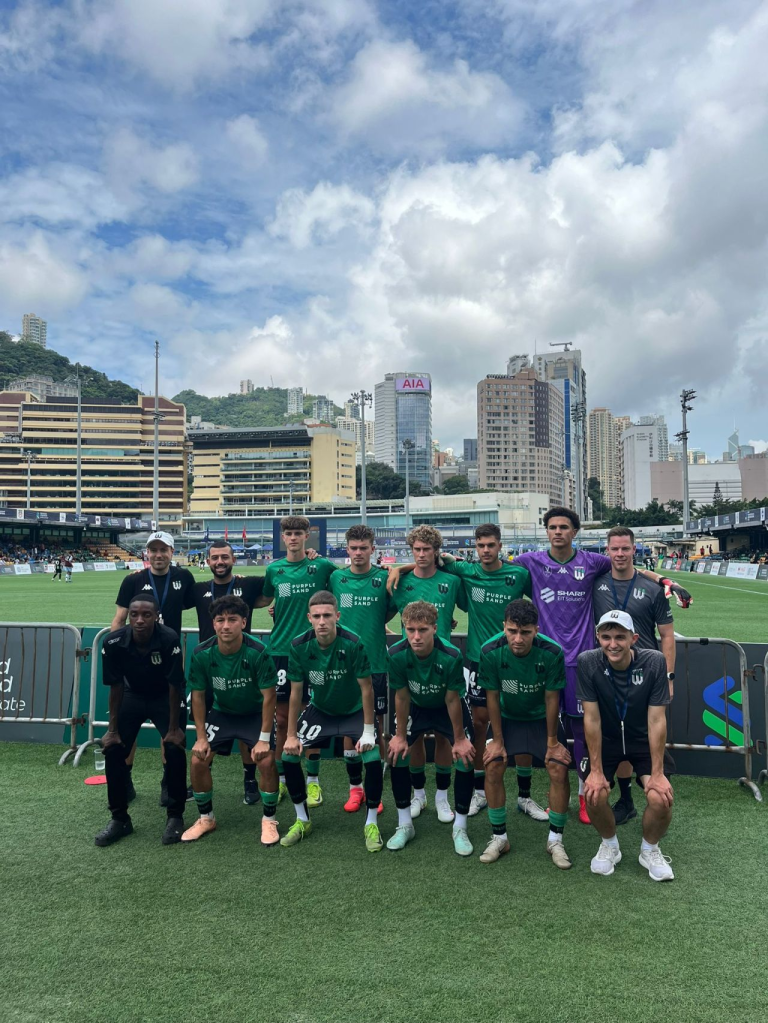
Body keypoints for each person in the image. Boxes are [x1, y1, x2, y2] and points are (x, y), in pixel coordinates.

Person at [512, 507, 689, 825]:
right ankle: (532, 795)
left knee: (584, 734)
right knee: (540, 730)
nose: (558, 532)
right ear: (546, 531)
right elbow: (493, 567)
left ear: (574, 532)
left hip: (582, 664)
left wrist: (664, 579)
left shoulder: (592, 562)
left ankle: (585, 796)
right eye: (552, 527)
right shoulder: (530, 561)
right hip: (543, 662)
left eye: (564, 527)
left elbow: (631, 567)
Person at [431, 524, 538, 820]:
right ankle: (479, 790)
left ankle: (525, 795)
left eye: (491, 545)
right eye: (481, 545)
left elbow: (541, 597)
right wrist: (396, 570)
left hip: (516, 660)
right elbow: (430, 561)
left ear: (500, 545)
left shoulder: (518, 575)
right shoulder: (467, 571)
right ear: (475, 547)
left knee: (524, 720)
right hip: (479, 659)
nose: (486, 550)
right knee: (478, 724)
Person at [281, 591, 383, 851]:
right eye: (317, 616)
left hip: (354, 709)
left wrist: (369, 731)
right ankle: (302, 820)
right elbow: (295, 693)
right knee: (289, 757)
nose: (322, 621)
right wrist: (291, 734)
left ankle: (371, 823)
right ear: (309, 619)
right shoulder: (298, 646)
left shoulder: (353, 642)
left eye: (327, 615)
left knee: (371, 757)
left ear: (337, 616)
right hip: (320, 710)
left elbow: (367, 688)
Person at [578, 610, 675, 881]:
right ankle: (610, 845)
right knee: (594, 794)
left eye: (620, 637)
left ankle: (650, 849)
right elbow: (592, 718)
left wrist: (657, 774)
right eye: (606, 636)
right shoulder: (588, 662)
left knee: (661, 798)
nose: (612, 644)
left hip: (642, 740)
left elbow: (657, 720)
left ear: (634, 638)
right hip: (606, 740)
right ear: (597, 637)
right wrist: (596, 771)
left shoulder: (654, 662)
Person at [477, 600, 572, 867]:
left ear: (536, 630)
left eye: (526, 632)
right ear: (503, 628)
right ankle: (500, 838)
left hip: (541, 719)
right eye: (512, 631)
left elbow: (553, 698)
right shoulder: (490, 651)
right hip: (507, 718)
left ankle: (555, 840)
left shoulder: (552, 652)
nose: (518, 639)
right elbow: (492, 697)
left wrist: (552, 743)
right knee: (493, 766)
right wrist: (497, 741)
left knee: (558, 768)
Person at [592, 526, 676, 825]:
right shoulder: (596, 583)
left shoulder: (653, 589)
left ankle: (653, 779)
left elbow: (667, 636)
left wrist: (668, 676)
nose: (619, 554)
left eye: (625, 548)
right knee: (618, 730)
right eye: (614, 549)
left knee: (644, 730)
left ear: (634, 549)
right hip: (608, 673)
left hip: (647, 674)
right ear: (607, 551)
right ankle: (625, 798)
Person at [182, 595, 280, 847]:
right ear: (213, 624)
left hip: (254, 714)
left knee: (267, 759)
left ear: (244, 622)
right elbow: (199, 696)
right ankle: (206, 818)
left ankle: (269, 819)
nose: (226, 625)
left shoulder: (258, 652)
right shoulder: (202, 652)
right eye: (220, 620)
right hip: (222, 713)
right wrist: (201, 737)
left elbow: (270, 698)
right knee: (198, 759)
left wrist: (263, 739)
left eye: (232, 620)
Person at [111, 531, 197, 803]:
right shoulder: (133, 580)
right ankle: (125, 780)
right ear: (147, 553)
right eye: (153, 550)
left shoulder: (183, 577)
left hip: (169, 662)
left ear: (172, 552)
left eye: (164, 550)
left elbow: (205, 600)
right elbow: (119, 619)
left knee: (169, 728)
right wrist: (117, 654)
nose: (158, 555)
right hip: (136, 664)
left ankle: (167, 783)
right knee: (128, 728)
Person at [94, 594, 187, 847]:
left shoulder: (168, 638)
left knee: (174, 747)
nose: (139, 620)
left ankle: (176, 816)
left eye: (146, 615)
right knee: (113, 749)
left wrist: (173, 728)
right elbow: (114, 687)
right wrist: (112, 730)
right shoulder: (113, 641)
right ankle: (119, 819)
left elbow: (175, 684)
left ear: (156, 616)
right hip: (131, 695)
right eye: (134, 614)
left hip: (164, 696)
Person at [387, 525, 465, 821]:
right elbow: (381, 614)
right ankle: (419, 795)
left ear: (436, 552)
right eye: (416, 550)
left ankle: (442, 797)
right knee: (415, 738)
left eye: (426, 550)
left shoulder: (452, 580)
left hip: (443, 666)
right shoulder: (399, 581)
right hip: (411, 669)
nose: (421, 555)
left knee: (445, 738)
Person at [386, 601, 476, 856]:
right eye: (410, 629)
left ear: (435, 629)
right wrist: (400, 736)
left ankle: (459, 826)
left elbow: (452, 699)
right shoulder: (396, 654)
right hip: (415, 704)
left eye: (422, 630)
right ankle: (405, 824)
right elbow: (401, 697)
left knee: (465, 756)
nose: (416, 636)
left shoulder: (451, 655)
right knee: (398, 752)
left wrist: (459, 739)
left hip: (446, 706)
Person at [261, 516, 336, 806]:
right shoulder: (274, 569)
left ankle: (313, 781)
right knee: (282, 719)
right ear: (283, 537)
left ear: (308, 536)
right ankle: (283, 779)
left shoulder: (323, 566)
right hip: (280, 650)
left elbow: (343, 587)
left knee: (312, 719)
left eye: (298, 533)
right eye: (288, 533)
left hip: (315, 651)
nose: (293, 538)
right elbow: (266, 599)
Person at [192, 539, 266, 805]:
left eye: (225, 557)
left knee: (247, 725)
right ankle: (201, 777)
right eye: (215, 558)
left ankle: (250, 780)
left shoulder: (247, 585)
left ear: (234, 559)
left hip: (242, 665)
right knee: (206, 727)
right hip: (209, 666)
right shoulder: (198, 588)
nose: (220, 562)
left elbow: (280, 586)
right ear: (208, 561)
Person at [329, 525, 397, 812]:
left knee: (376, 727)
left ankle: (374, 790)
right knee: (349, 725)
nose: (358, 553)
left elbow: (390, 611)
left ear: (372, 549)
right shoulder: (335, 578)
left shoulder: (383, 579)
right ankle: (354, 788)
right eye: (353, 548)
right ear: (347, 549)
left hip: (375, 664)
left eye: (363, 548)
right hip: (343, 665)